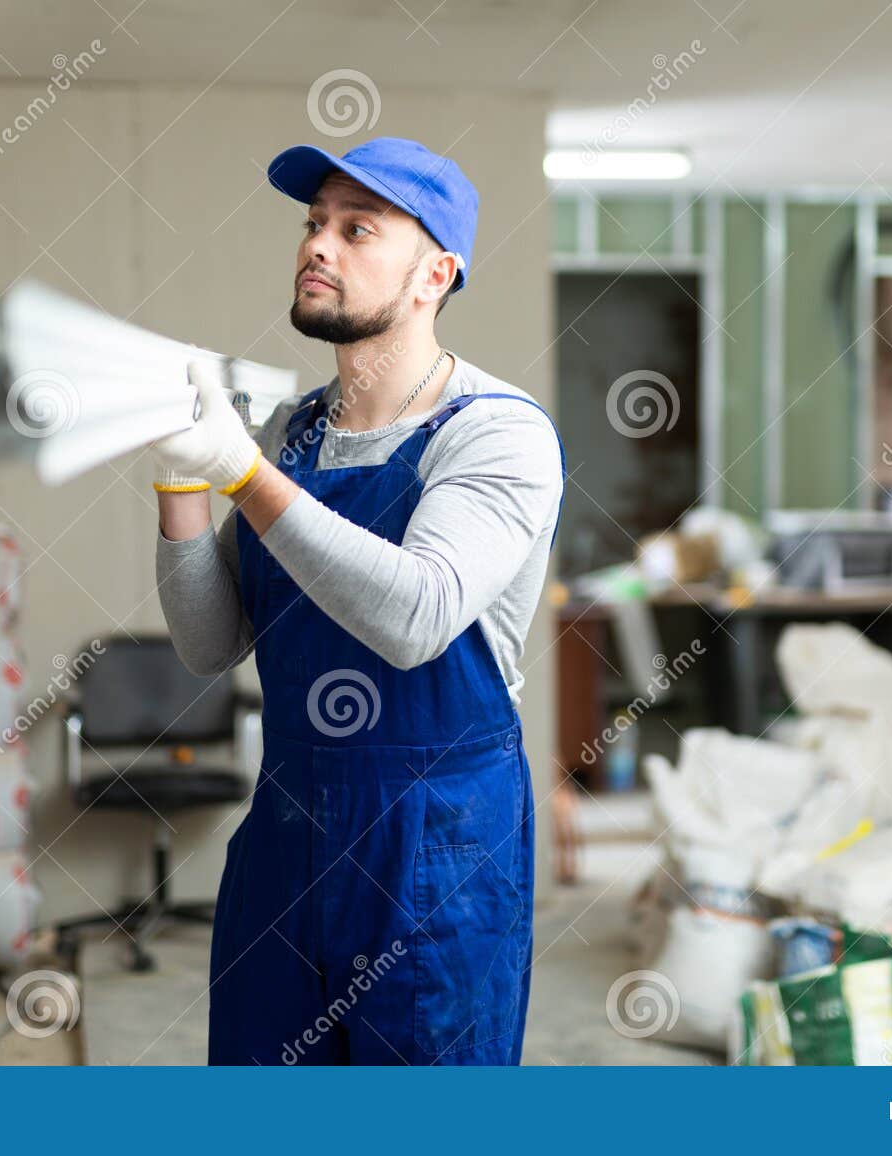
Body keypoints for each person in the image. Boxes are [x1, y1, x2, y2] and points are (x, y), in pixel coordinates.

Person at [149, 136, 565, 1065]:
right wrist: (182, 488)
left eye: (356, 229)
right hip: (288, 830)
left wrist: (242, 474)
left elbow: (417, 617)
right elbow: (210, 644)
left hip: (433, 848)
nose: (317, 247)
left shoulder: (496, 434)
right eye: (312, 225)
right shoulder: (293, 434)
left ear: (434, 276)